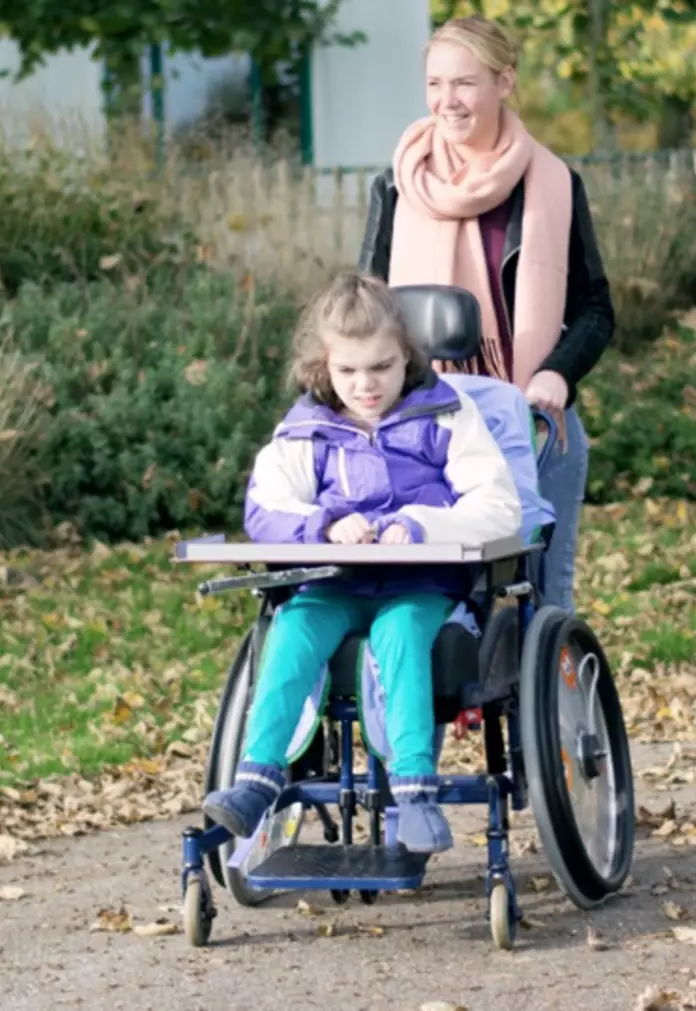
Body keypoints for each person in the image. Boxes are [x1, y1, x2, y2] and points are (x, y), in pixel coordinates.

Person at [201, 270, 523, 855]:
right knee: (293, 627)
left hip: (420, 583)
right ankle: (256, 780)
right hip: (334, 584)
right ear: (325, 365)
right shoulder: (306, 430)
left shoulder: (447, 418)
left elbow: (499, 507)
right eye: (348, 371)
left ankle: (416, 790)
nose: (366, 385)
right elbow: (265, 510)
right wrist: (321, 524)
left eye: (381, 367)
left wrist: (422, 524)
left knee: (400, 634)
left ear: (407, 356)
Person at [358, 13, 615, 614]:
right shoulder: (398, 186)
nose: (447, 101)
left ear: (504, 82)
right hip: (425, 427)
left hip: (531, 421)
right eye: (435, 84)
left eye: (465, 83)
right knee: (433, 601)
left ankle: (553, 710)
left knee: (542, 605)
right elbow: (363, 316)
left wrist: (558, 371)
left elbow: (595, 308)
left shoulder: (552, 184)